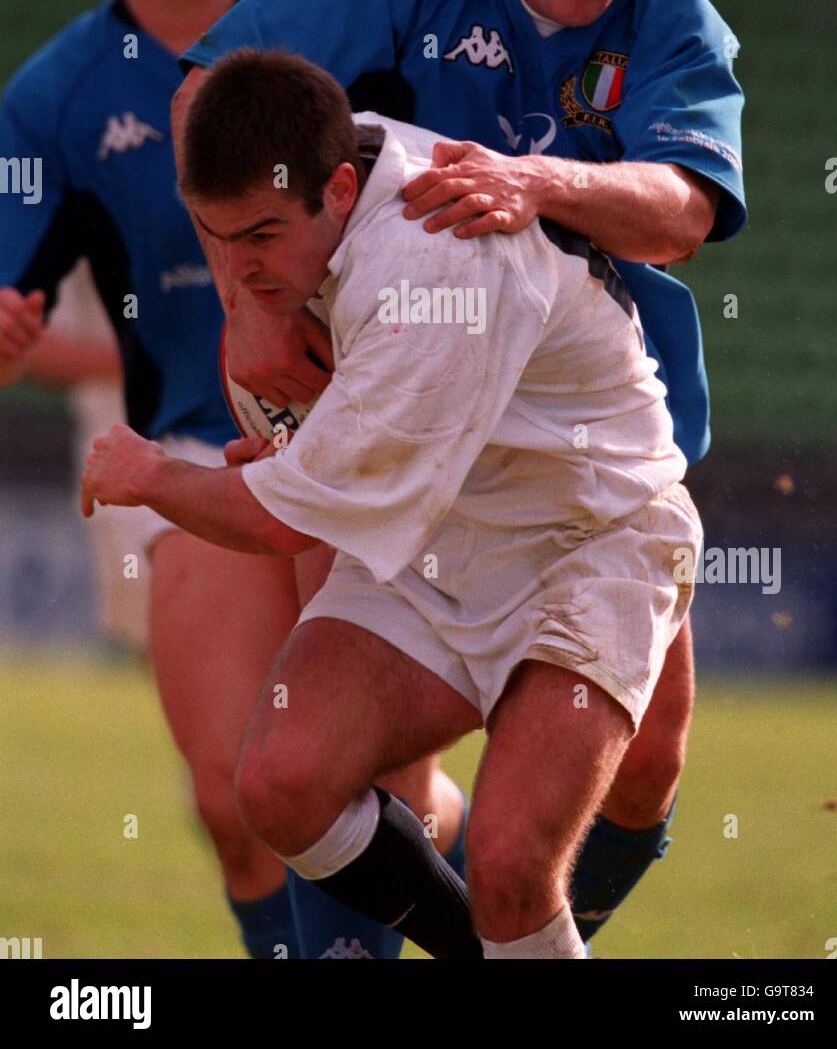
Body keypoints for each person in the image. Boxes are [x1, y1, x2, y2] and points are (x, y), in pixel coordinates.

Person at [171, 0, 746, 943]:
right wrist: (249, 302)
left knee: (642, 770)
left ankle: (514, 928)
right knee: (311, 761)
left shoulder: (671, 14)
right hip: (382, 404)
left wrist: (539, 182)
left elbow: (686, 210)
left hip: (593, 439)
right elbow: (208, 89)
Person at [82, 47, 705, 960]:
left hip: (591, 541)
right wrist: (308, 434)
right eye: (217, 237)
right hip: (449, 535)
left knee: (509, 864)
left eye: (259, 237)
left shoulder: (429, 263)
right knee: (279, 784)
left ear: (338, 191)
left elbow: (284, 520)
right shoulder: (345, 160)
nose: (240, 273)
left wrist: (150, 477)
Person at [0, 0, 463, 960]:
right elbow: (14, 283)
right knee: (236, 795)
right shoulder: (54, 96)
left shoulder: (340, 17)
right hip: (196, 442)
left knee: (383, 784)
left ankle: (482, 899)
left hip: (348, 423)